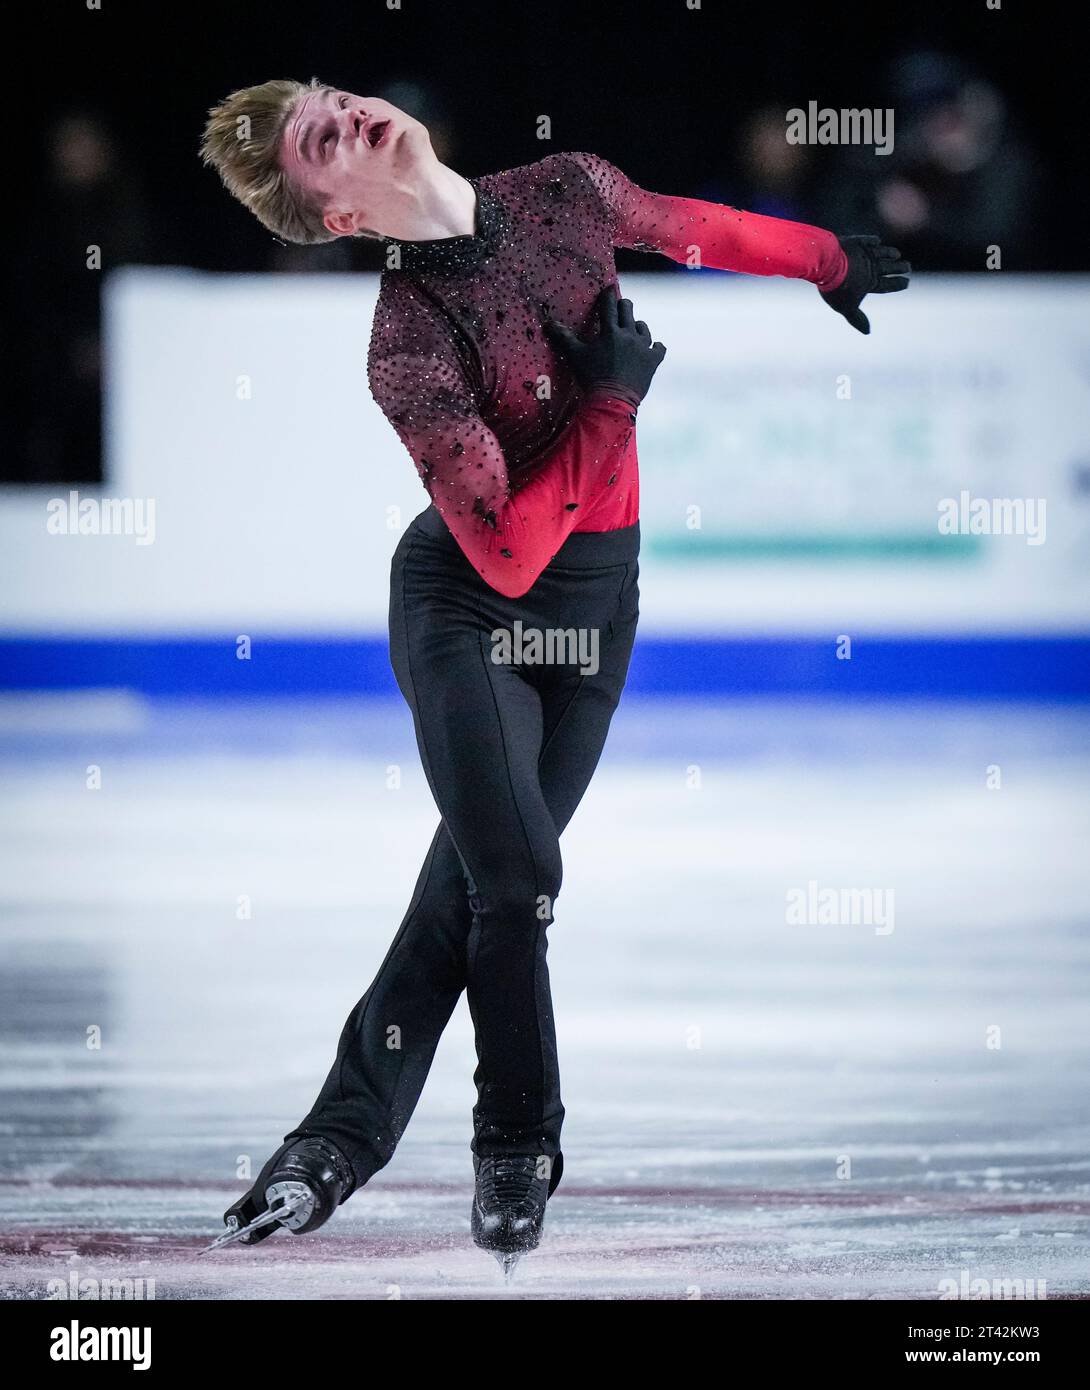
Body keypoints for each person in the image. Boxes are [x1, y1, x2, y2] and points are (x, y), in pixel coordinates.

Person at [199, 78, 909, 1270]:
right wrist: (610, 407)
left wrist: (825, 258)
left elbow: (691, 226)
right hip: (471, 609)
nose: (351, 116)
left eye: (336, 98)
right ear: (334, 217)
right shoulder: (410, 343)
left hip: (595, 613)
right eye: (322, 138)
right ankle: (517, 1144)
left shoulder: (561, 188)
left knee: (471, 891)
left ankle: (330, 1143)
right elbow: (512, 549)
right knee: (519, 873)